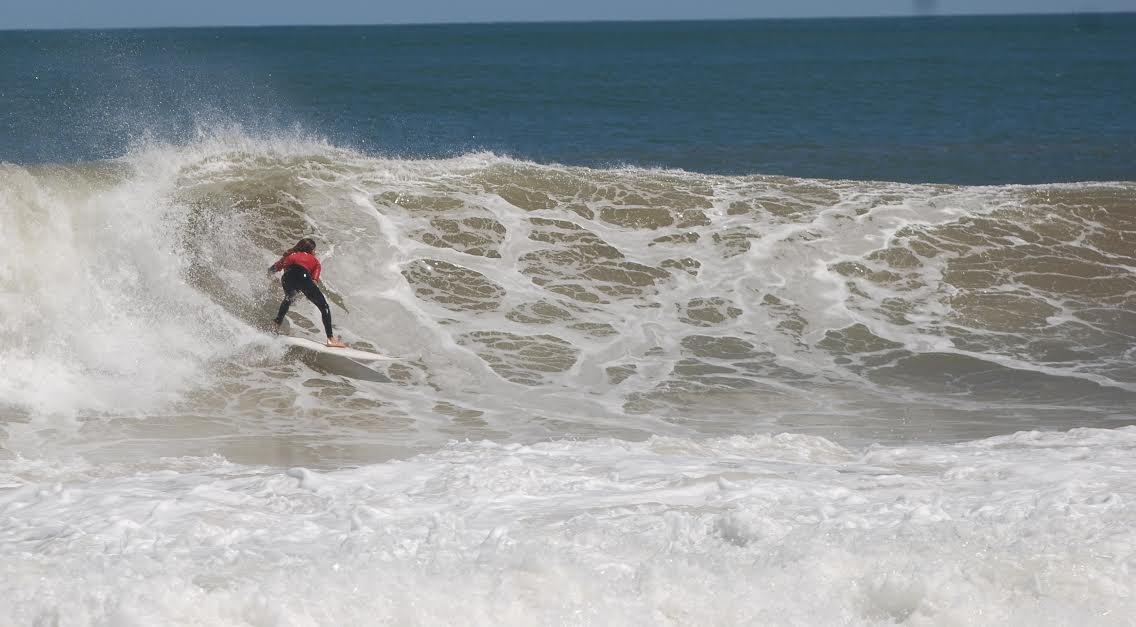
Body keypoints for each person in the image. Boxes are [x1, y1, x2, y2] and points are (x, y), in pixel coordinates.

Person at [269, 237, 347, 348]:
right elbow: (314, 281)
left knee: (288, 299)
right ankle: (331, 339)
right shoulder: (315, 261)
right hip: (303, 276)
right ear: (311, 250)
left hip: (287, 278)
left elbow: (276, 267)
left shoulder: (290, 255)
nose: (315, 252)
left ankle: (275, 327)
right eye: (314, 250)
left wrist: (267, 274)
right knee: (324, 306)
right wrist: (309, 292)